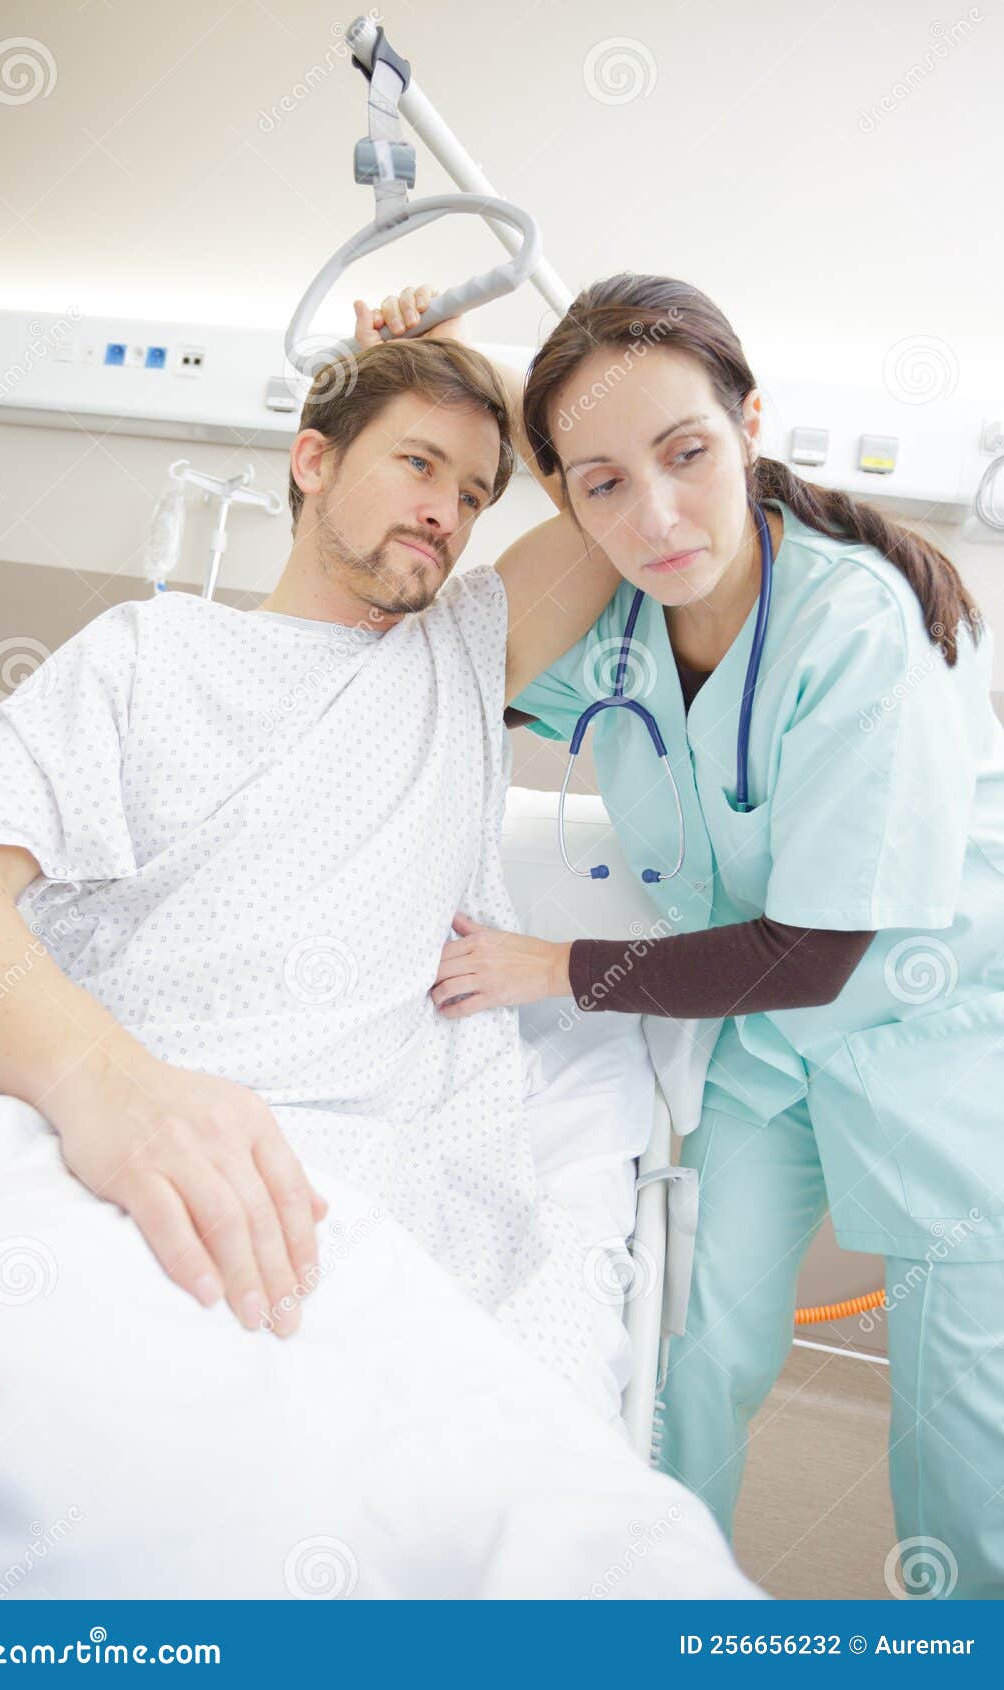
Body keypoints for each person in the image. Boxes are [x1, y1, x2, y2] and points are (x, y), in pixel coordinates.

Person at [428, 272, 1004, 1598]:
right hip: (762, 1041)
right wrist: (432, 417)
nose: (655, 514)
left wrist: (553, 970)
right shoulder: (616, 624)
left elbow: (816, 948)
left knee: (957, 1436)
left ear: (748, 422)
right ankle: (665, 1619)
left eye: (684, 454)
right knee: (684, 1356)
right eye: (601, 483)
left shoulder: (850, 626)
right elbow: (447, 678)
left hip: (932, 1033)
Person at [0, 316, 618, 1382]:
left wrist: (470, 358)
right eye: (415, 463)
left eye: (475, 493)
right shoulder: (146, 653)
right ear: (312, 459)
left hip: (343, 1167)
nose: (445, 510)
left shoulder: (464, 652)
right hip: (104, 1111)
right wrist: (111, 1092)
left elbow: (612, 486)